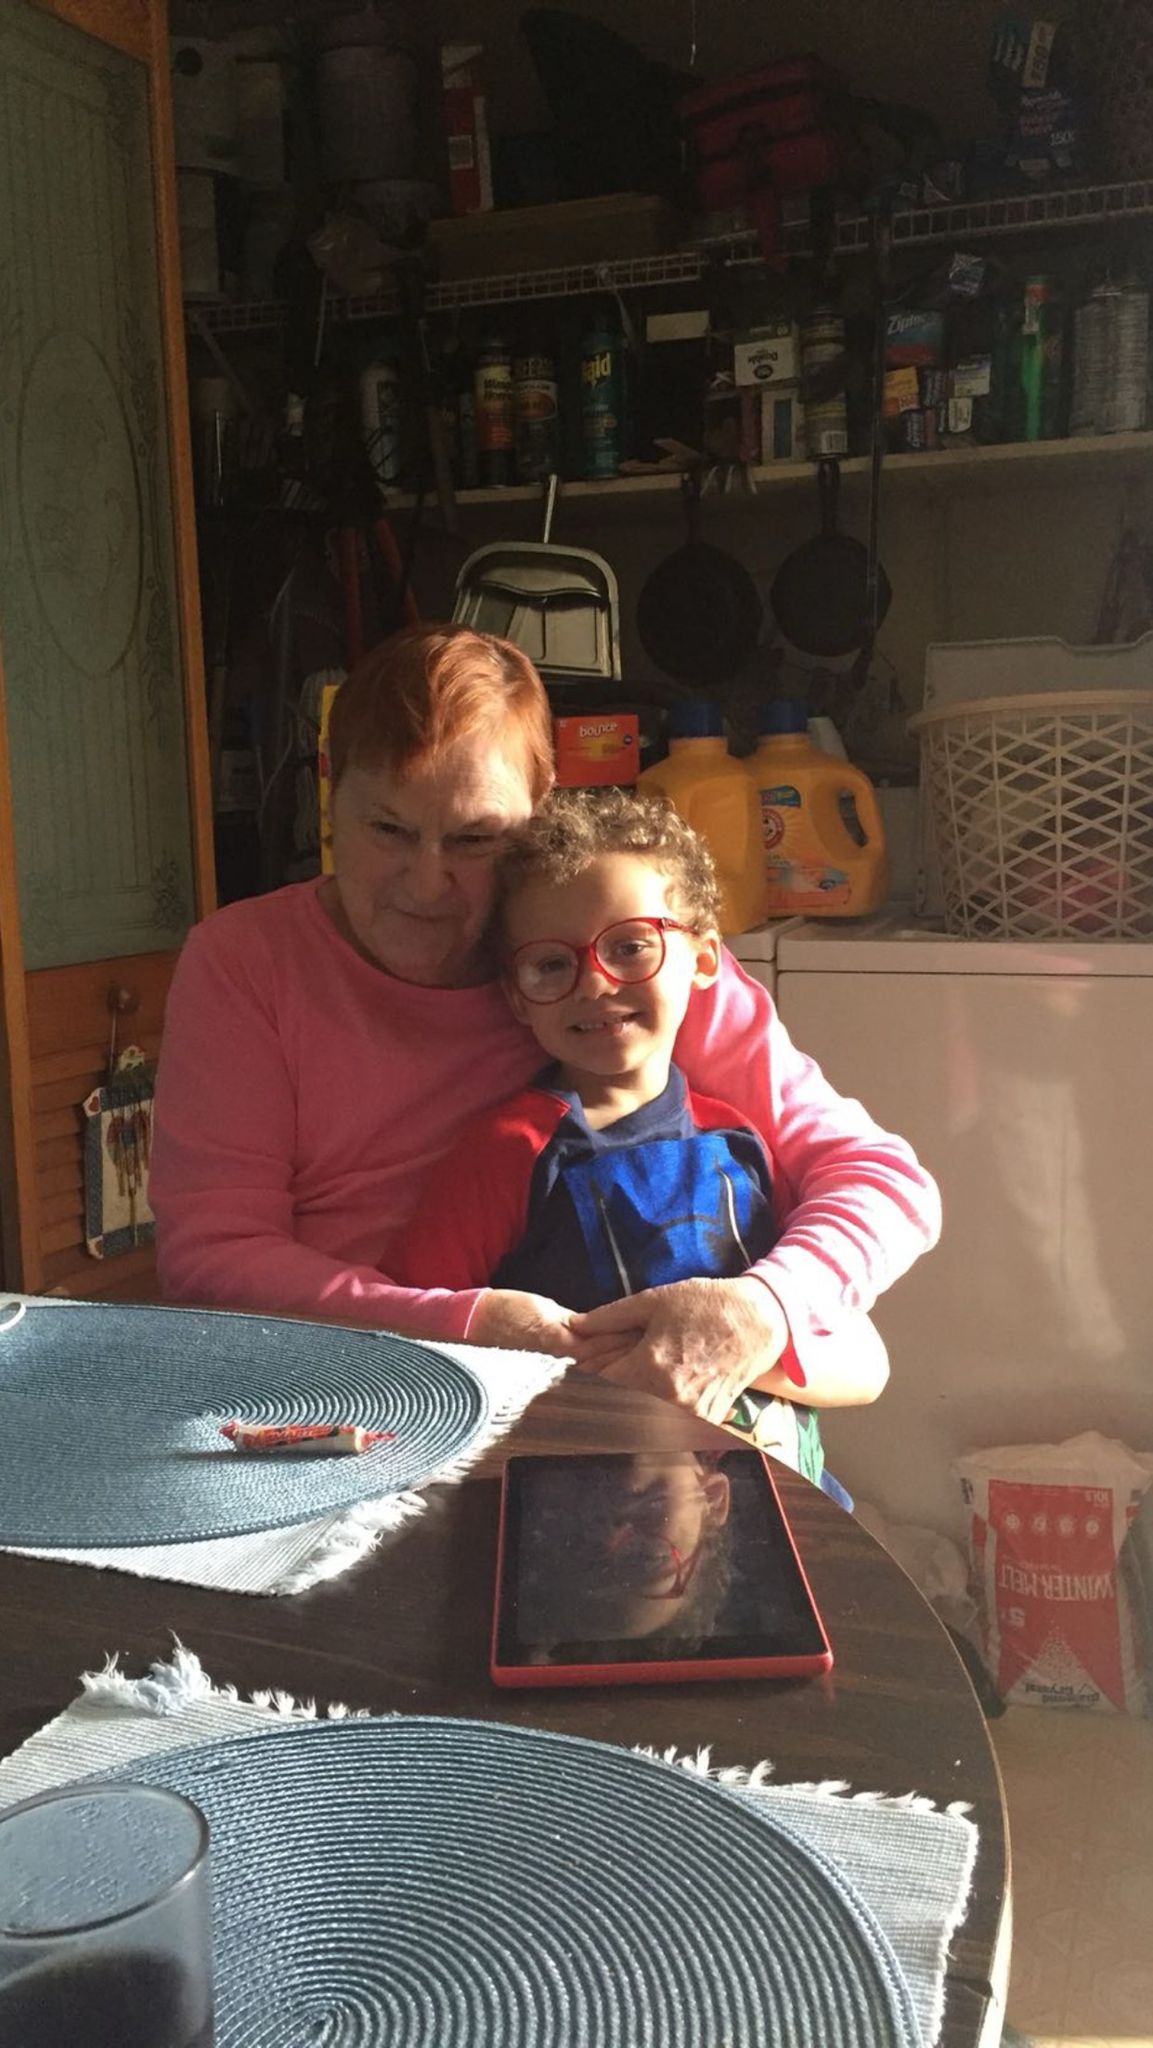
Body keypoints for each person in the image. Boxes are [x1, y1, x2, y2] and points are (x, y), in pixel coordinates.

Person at [151, 623, 940, 1423]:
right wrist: (466, 1327)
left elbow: (879, 1179)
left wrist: (765, 1307)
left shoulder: (628, 964)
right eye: (387, 829)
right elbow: (212, 1258)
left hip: (622, 1394)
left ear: (539, 810)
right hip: (340, 1397)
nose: (424, 885)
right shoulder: (245, 961)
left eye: (474, 839)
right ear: (330, 788)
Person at [388, 786, 859, 1488]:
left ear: (704, 958)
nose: (594, 985)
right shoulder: (508, 1149)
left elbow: (845, 1347)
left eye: (630, 946)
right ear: (516, 995)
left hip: (793, 1498)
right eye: (552, 964)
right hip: (595, 1505)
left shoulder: (742, 1138)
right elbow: (414, 1339)